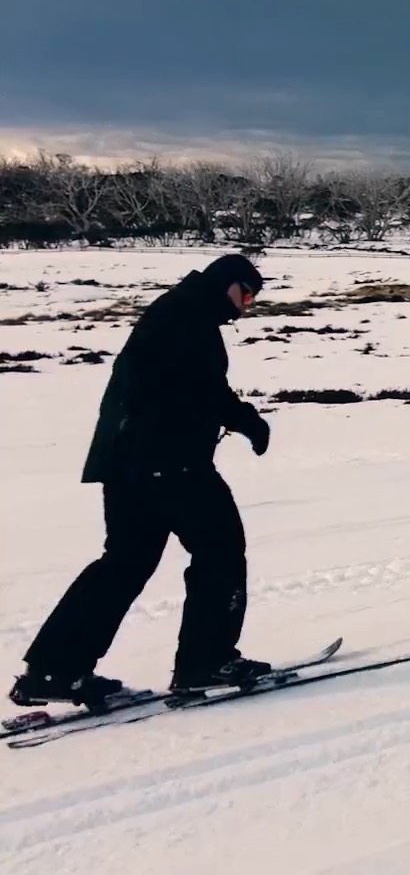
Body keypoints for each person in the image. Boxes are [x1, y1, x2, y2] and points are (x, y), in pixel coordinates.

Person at [10, 254, 275, 708]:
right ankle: (205, 662)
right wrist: (248, 420)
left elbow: (184, 387)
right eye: (246, 294)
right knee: (220, 548)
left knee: (125, 562)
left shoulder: (177, 311)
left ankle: (54, 670)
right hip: (168, 463)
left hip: (128, 464)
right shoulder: (187, 318)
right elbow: (202, 388)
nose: (247, 306)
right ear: (227, 284)